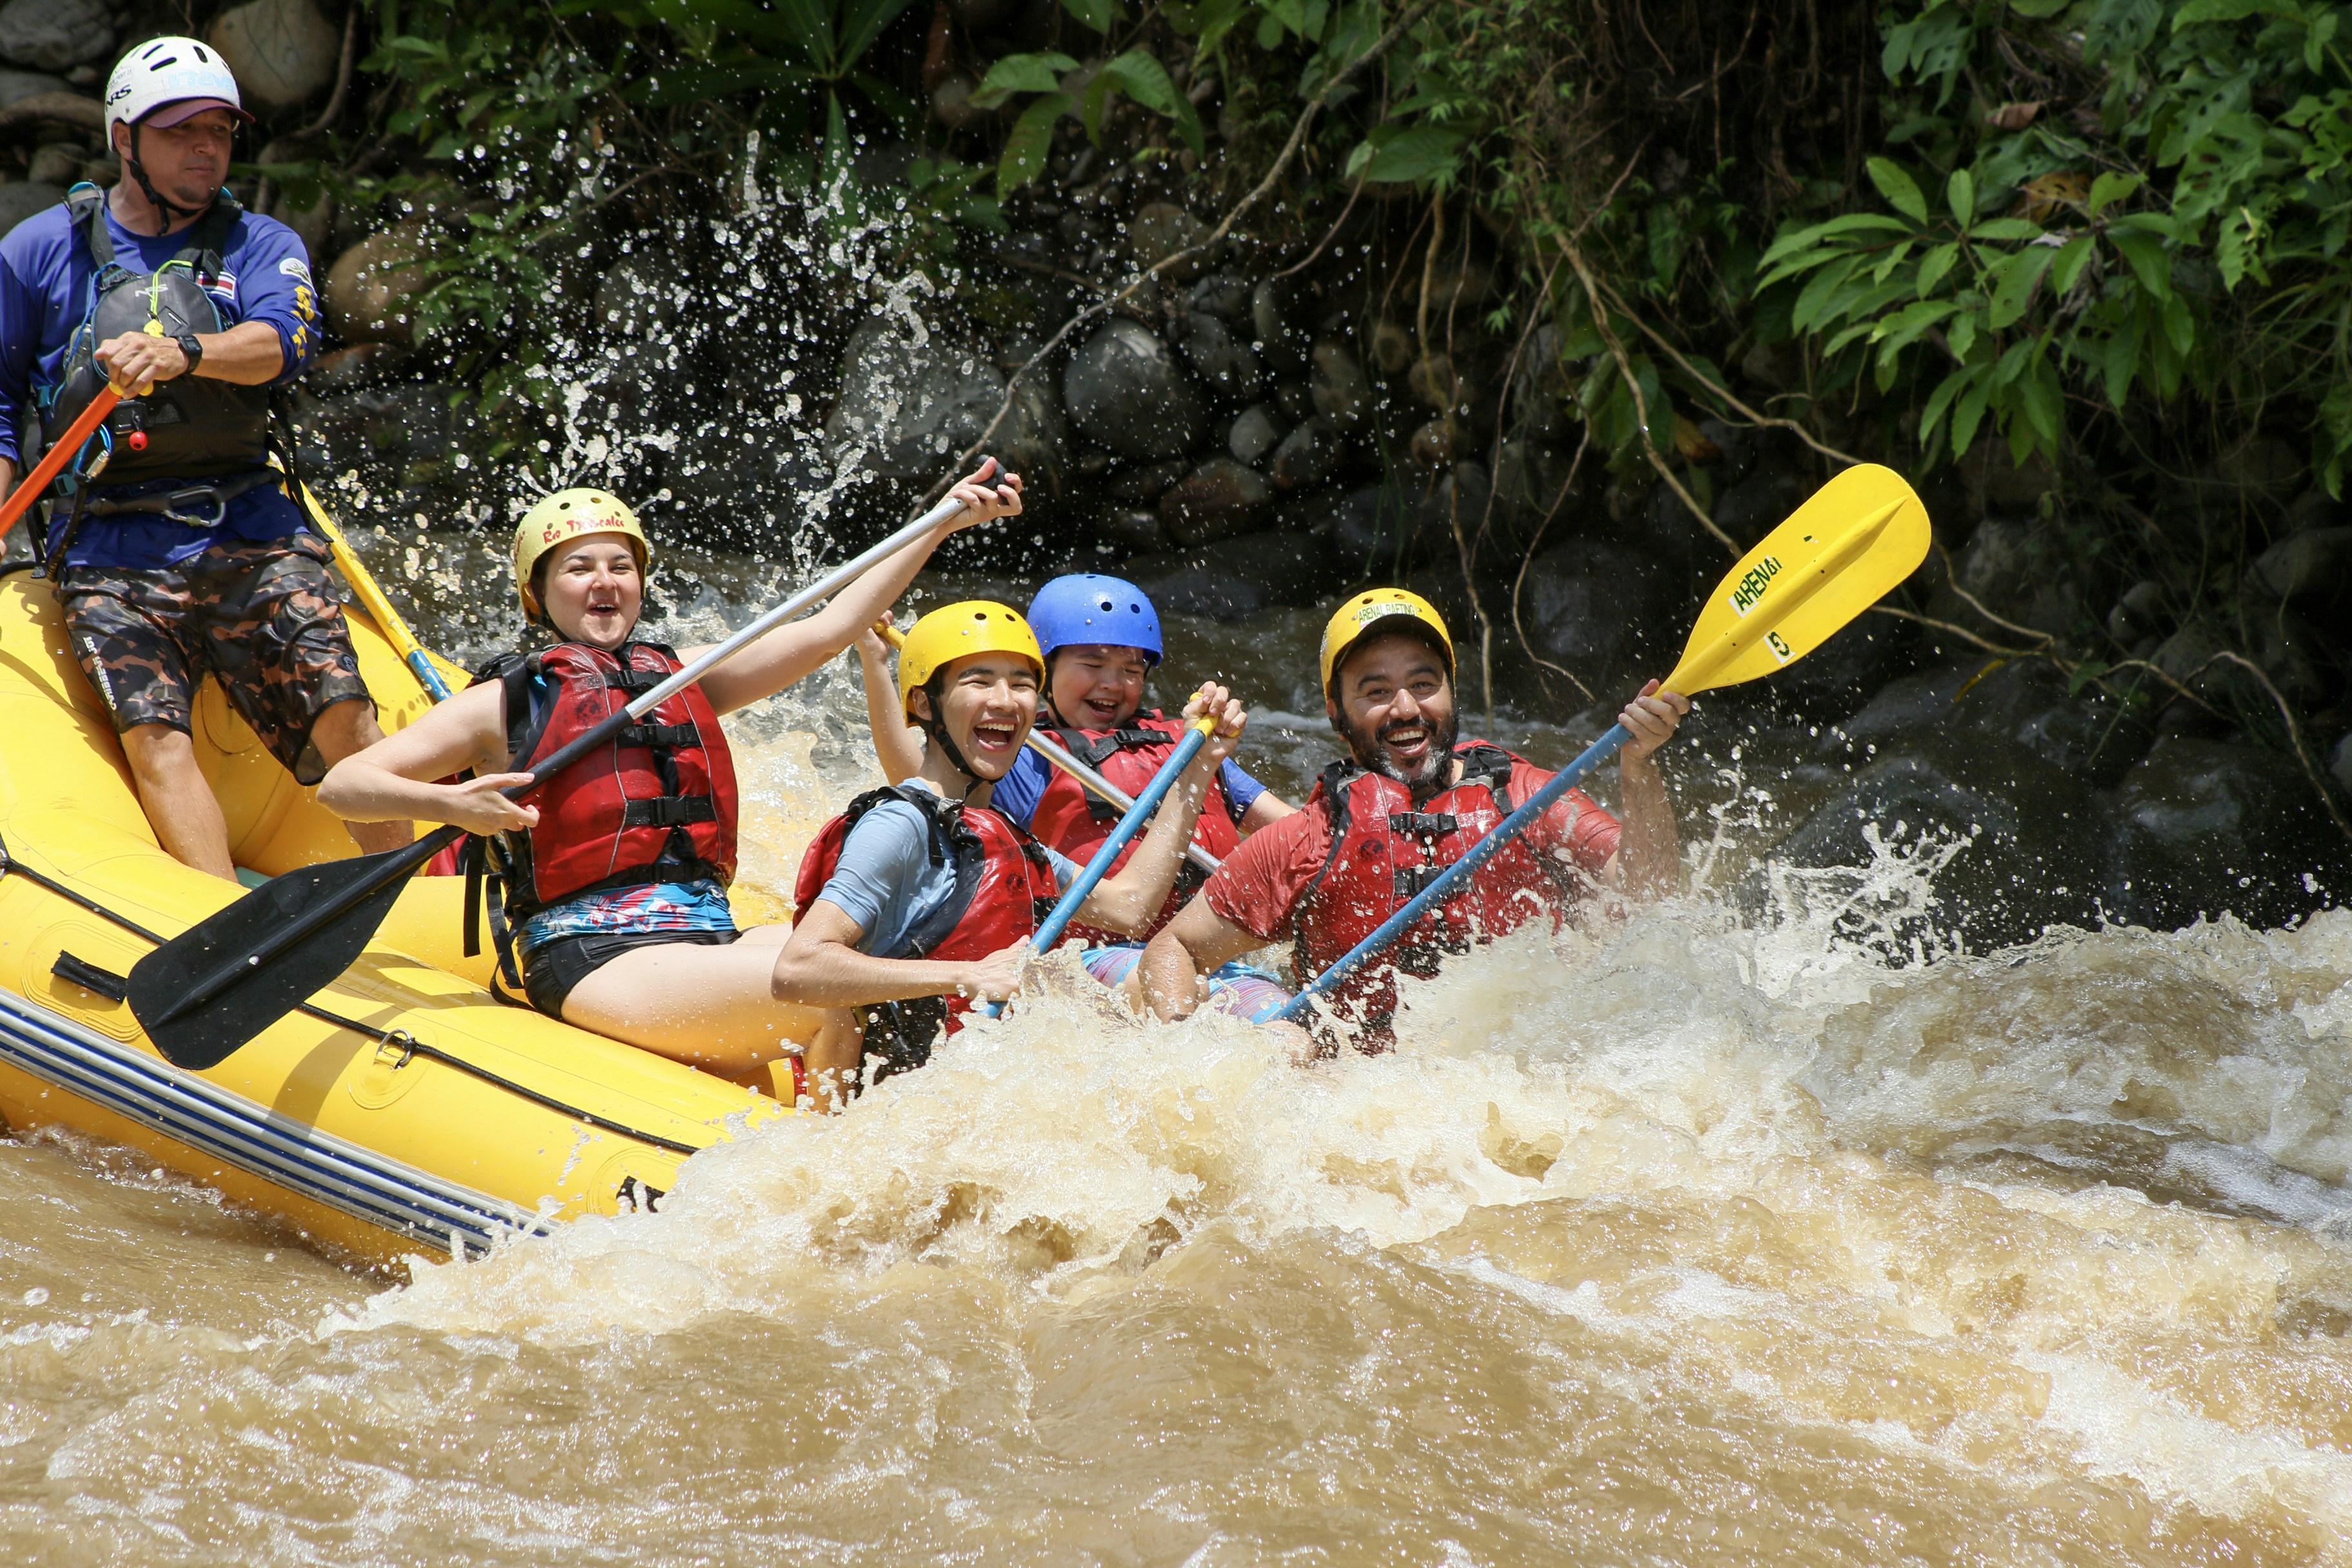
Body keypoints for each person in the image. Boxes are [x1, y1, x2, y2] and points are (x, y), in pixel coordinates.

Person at [315, 466, 1025, 1084]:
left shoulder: (682, 676)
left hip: (704, 937)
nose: (604, 581)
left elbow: (830, 627)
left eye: (621, 566)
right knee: (827, 990)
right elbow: (345, 782)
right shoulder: (503, 704)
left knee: (876, 952)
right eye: (579, 566)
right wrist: (459, 803)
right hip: (593, 956)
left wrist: (943, 522)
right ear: (538, 593)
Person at [0, 38, 397, 880]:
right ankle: (217, 925)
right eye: (181, 132)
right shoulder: (39, 252)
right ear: (123, 139)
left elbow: (280, 343)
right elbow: (1, 408)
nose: (205, 149)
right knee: (154, 735)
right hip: (107, 537)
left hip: (246, 518)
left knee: (344, 715)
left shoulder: (259, 241)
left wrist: (183, 351)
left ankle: (406, 894)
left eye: (218, 131)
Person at [1139, 588, 1689, 1046]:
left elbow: (1653, 891)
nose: (1406, 709)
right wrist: (1186, 1054)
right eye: (1376, 691)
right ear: (1336, 713)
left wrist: (1639, 767)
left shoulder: (1527, 799)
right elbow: (1175, 947)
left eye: (1424, 685)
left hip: (1528, 1071)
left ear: (1450, 693)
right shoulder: (1309, 838)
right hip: (1367, 1095)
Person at [776, 599, 1248, 1105]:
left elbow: (1129, 908)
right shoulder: (902, 822)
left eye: (1022, 684)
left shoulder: (1005, 834)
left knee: (1173, 997)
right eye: (979, 681)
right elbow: (798, 970)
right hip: (896, 1104)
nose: (1005, 700)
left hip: (975, 1097)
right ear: (924, 704)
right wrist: (967, 976)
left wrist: (1199, 766)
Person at [852, 573, 1291, 946]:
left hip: (1206, 950)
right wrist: (876, 667)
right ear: (1047, 668)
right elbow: (919, 780)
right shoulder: (1025, 755)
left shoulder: (1189, 744)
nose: (1113, 684)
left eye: (1131, 670)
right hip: (1095, 955)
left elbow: (1295, 832)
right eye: (1092, 664)